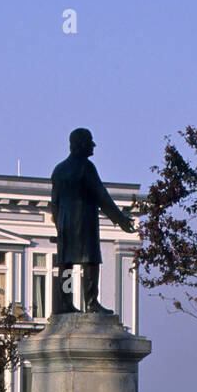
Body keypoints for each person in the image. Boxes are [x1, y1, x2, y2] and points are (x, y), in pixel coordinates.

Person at [49, 128, 135, 314]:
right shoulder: (85, 167)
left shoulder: (58, 170)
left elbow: (54, 203)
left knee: (66, 264)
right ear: (80, 144)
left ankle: (65, 303)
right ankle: (91, 301)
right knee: (90, 261)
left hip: (65, 224)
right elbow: (101, 196)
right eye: (90, 142)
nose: (93, 145)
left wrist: (59, 225)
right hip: (84, 221)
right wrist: (120, 219)